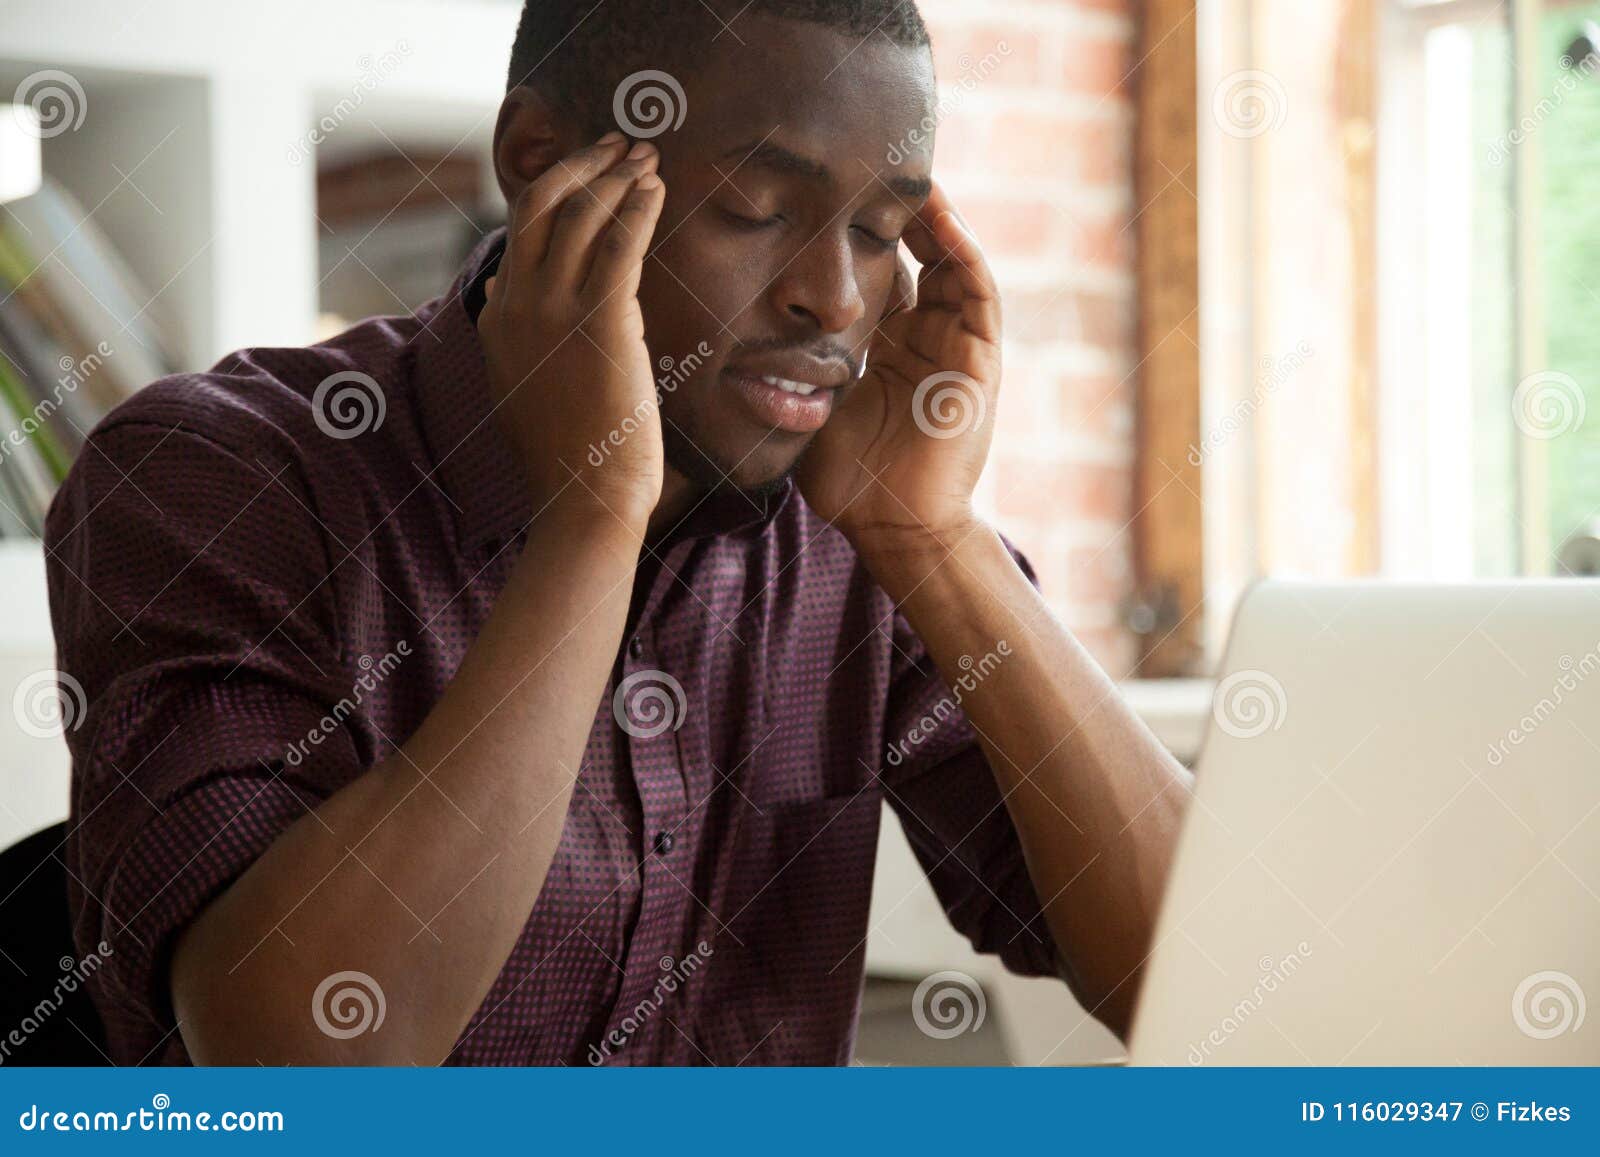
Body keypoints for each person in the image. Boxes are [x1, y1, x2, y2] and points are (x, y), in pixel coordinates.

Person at [45, 0, 1189, 1066]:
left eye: (881, 231)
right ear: (541, 160)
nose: (836, 298)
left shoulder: (855, 532)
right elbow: (295, 1067)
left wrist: (935, 540)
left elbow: (1197, 978)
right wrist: (593, 521)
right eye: (756, 209)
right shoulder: (217, 472)